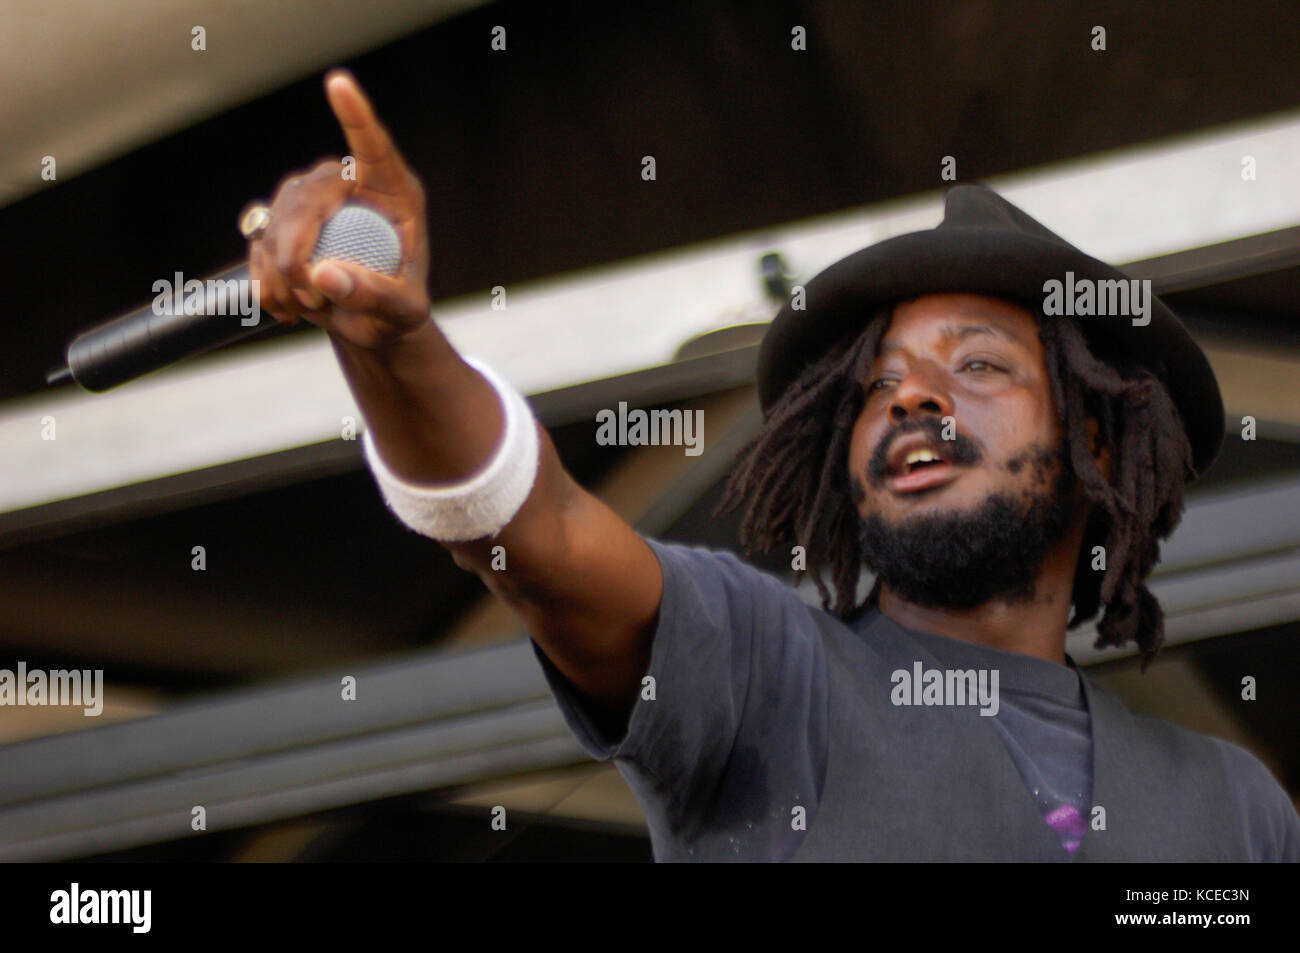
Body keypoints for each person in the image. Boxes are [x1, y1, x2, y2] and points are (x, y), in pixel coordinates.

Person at [247, 69, 1300, 862]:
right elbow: (538, 531)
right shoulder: (766, 675)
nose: (913, 397)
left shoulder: (1226, 808)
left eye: (976, 364)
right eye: (877, 385)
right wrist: (397, 347)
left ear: (1098, 442)